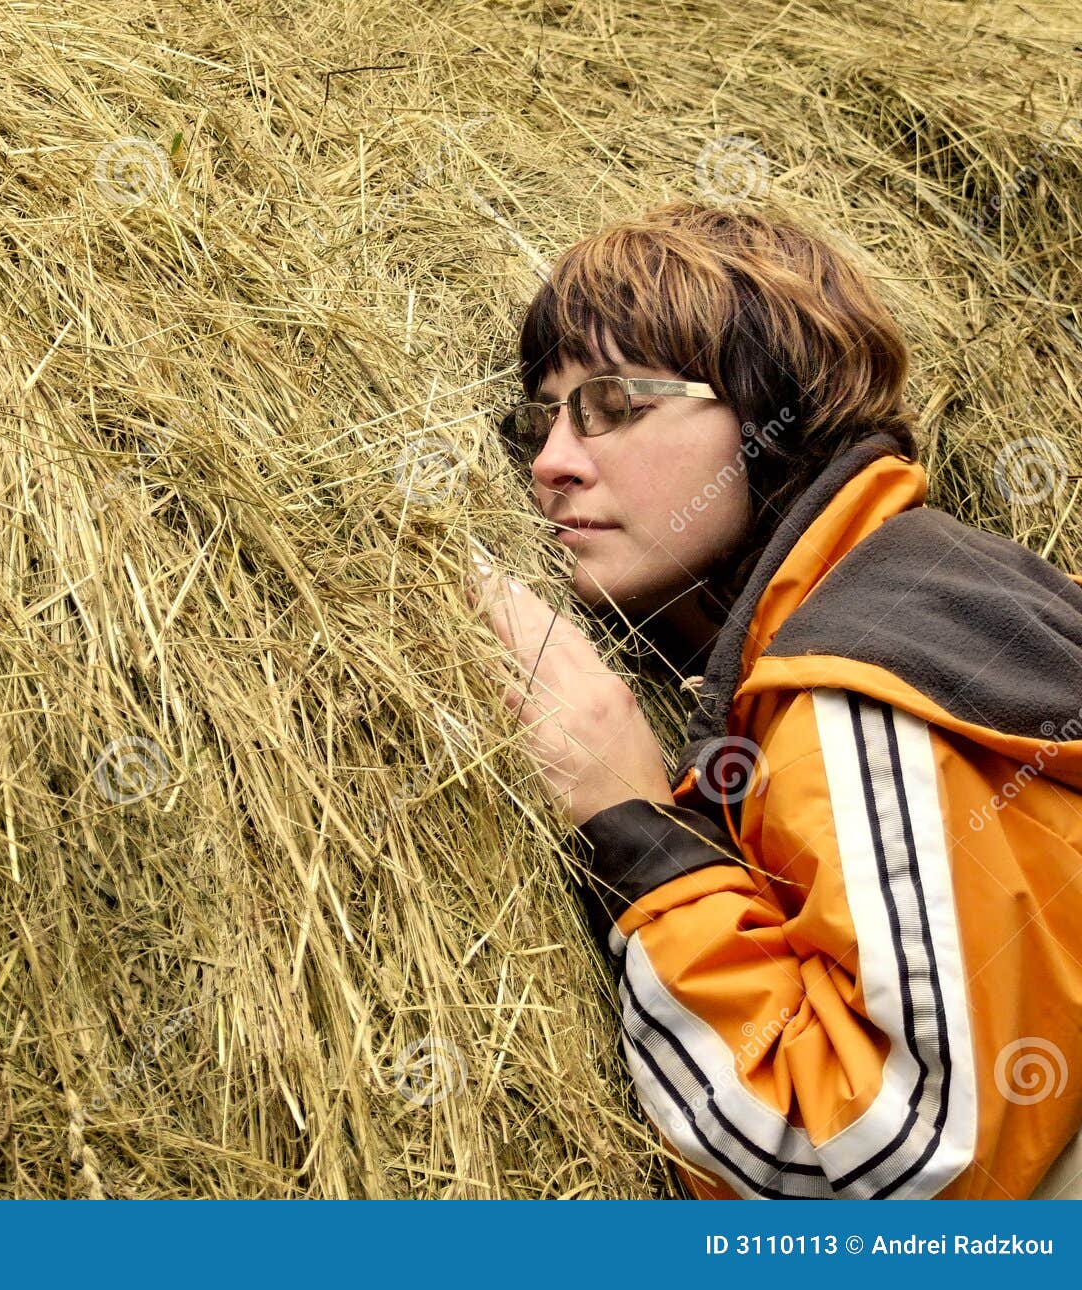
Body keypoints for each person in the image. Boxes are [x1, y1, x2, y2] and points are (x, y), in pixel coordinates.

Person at [464, 200, 1082, 1200]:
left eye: (615, 405)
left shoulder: (859, 683)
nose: (551, 463)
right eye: (543, 418)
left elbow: (891, 1174)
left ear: (768, 418)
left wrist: (634, 829)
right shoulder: (946, 592)